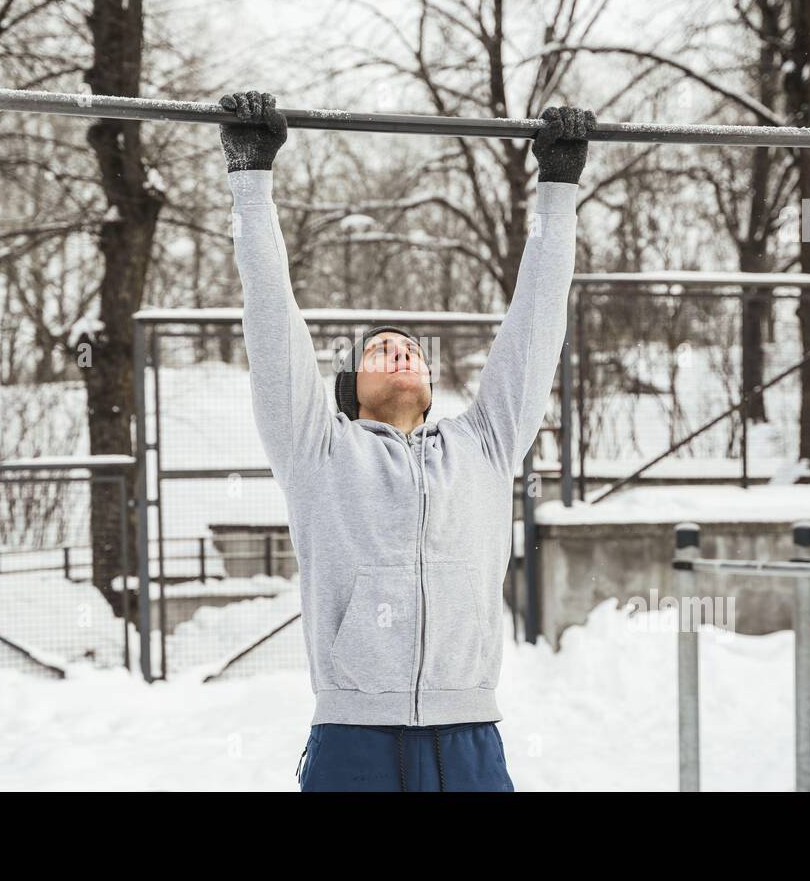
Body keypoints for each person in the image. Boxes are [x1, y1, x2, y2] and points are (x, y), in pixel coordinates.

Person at [219, 90, 592, 791]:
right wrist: (251, 178)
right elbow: (271, 322)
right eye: (379, 349)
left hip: (470, 737)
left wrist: (558, 189)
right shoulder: (317, 451)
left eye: (410, 348)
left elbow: (536, 325)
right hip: (353, 739)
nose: (400, 352)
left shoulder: (484, 445)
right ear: (347, 389)